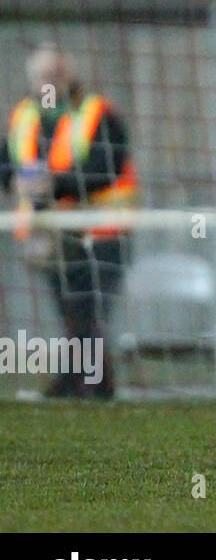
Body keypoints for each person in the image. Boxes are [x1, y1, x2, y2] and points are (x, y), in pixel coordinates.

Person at [2, 45, 135, 400]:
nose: (49, 83)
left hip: (102, 232)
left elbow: (108, 166)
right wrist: (14, 180)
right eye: (43, 77)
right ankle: (82, 382)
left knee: (90, 311)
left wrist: (55, 183)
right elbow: (7, 162)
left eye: (55, 75)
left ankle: (86, 383)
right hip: (52, 235)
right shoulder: (25, 116)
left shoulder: (97, 113)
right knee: (72, 314)